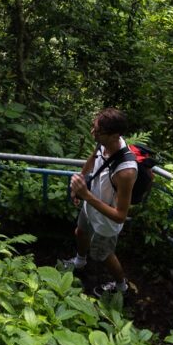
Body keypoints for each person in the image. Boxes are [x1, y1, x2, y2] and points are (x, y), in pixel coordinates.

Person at [63, 107, 137, 297]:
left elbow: (120, 216)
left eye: (97, 131)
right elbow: (92, 159)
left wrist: (86, 195)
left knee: (105, 255)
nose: (92, 132)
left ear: (114, 136)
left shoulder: (125, 171)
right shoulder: (103, 144)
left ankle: (122, 287)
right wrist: (79, 182)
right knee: (80, 231)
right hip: (90, 207)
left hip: (107, 222)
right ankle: (80, 262)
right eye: (93, 127)